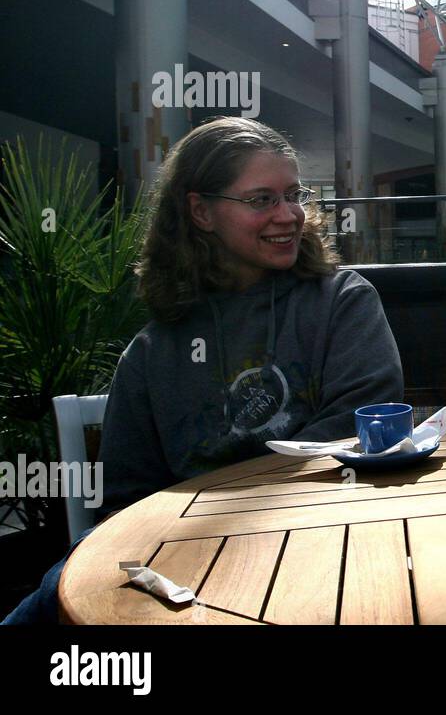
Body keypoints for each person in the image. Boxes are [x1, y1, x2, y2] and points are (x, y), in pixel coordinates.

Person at [2, 117, 403, 624]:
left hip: (323, 539)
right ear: (201, 212)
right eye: (262, 199)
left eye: (294, 194)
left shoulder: (343, 301)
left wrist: (228, 511)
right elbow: (125, 503)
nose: (290, 215)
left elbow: (359, 427)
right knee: (51, 599)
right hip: (182, 560)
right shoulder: (152, 351)